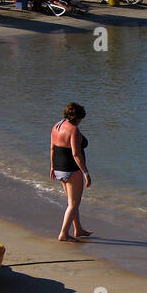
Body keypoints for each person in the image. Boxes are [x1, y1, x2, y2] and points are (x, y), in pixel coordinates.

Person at [49, 102, 91, 241]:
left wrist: (52, 167)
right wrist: (86, 173)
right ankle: (64, 233)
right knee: (73, 204)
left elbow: (52, 148)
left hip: (59, 168)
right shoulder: (73, 130)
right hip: (72, 170)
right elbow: (76, 154)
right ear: (77, 118)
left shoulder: (56, 126)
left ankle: (78, 229)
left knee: (72, 201)